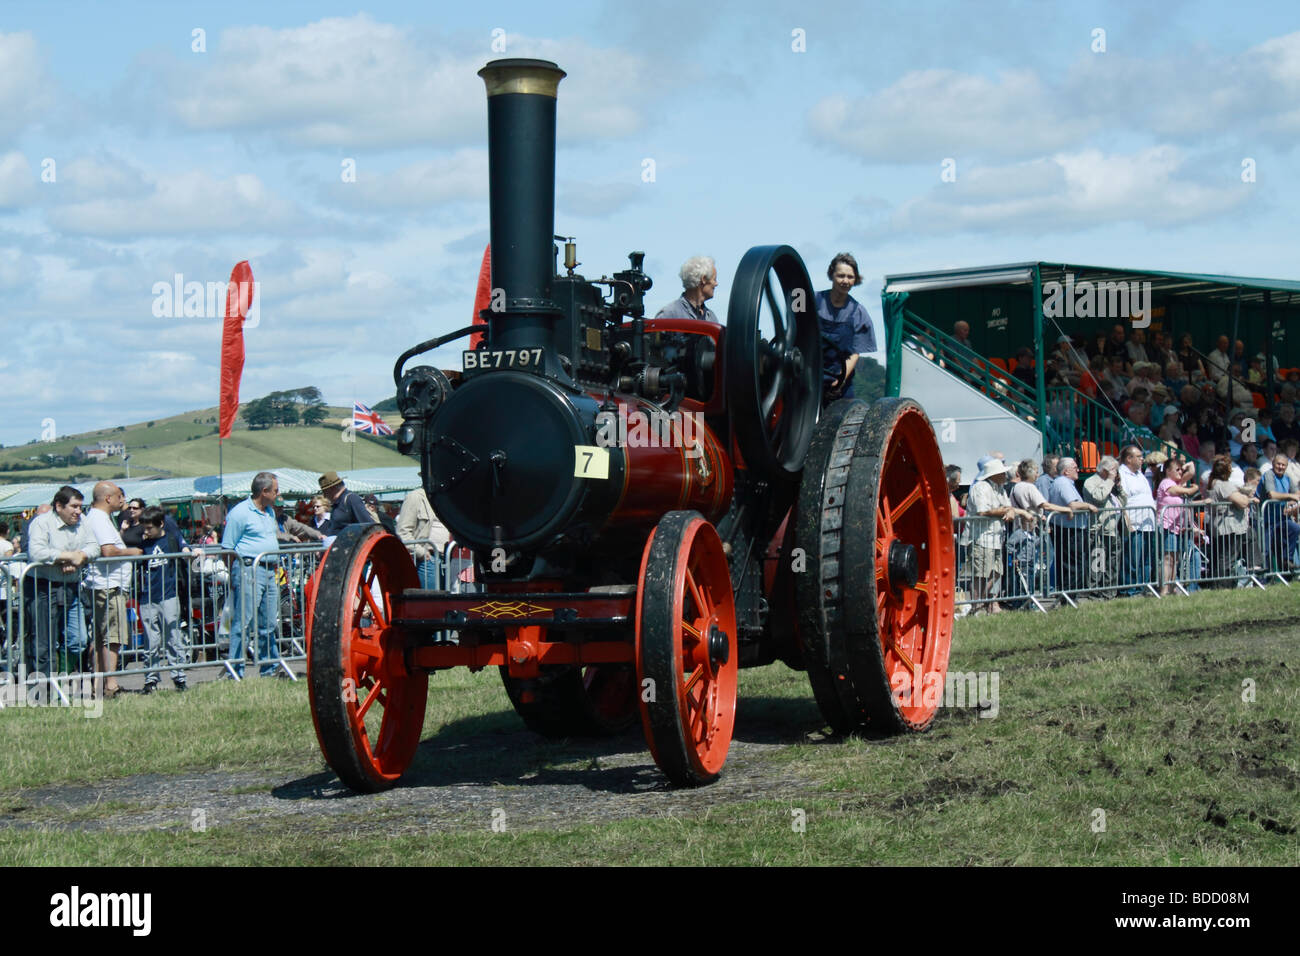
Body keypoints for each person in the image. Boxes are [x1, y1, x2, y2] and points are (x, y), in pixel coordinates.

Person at [23, 487, 99, 693]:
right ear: (59, 506)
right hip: (41, 588)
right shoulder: (41, 523)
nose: (78, 511)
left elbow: (95, 547)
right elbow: (37, 552)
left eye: (80, 507)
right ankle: (41, 690)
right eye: (74, 506)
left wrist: (80, 557)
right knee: (43, 644)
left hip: (71, 587)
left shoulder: (83, 522)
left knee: (79, 640)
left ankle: (61, 680)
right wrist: (65, 557)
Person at [220, 472, 283, 679]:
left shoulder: (269, 512)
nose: (278, 494)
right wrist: (235, 575)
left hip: (268, 570)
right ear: (264, 491)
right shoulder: (239, 513)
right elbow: (227, 548)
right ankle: (235, 669)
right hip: (247, 569)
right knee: (243, 621)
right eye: (275, 490)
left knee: (269, 623)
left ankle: (270, 667)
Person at [83, 482, 143, 698]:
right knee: (113, 637)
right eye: (119, 496)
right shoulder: (99, 519)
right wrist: (132, 552)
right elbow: (107, 551)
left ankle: (100, 684)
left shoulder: (97, 518)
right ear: (108, 498)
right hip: (108, 586)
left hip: (106, 585)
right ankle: (110, 684)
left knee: (102, 637)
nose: (122, 500)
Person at [137, 506, 194, 693]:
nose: (146, 532)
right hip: (147, 597)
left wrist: (190, 552)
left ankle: (179, 677)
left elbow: (185, 547)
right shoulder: (143, 544)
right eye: (143, 528)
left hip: (168, 595)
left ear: (160, 524)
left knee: (173, 636)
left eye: (149, 528)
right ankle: (151, 679)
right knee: (151, 641)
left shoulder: (171, 539)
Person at [964, 459, 1028, 614]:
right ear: (994, 474)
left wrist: (1011, 511)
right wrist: (1004, 511)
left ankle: (981, 603)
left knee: (996, 572)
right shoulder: (981, 488)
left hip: (997, 538)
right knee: (981, 575)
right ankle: (976, 606)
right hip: (981, 537)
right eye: (1002, 473)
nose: (1005, 475)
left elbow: (1008, 506)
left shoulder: (1000, 488)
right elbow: (982, 511)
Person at [816, 253, 876, 404]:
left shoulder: (859, 313)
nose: (845, 281)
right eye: (841, 275)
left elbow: (855, 353)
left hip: (840, 385)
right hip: (809, 378)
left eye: (850, 277)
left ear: (855, 279)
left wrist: (839, 380)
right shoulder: (811, 299)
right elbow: (795, 321)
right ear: (831, 275)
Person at [1048, 457, 1098, 596]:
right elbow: (1073, 505)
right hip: (1069, 531)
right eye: (1075, 467)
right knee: (1072, 565)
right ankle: (1069, 596)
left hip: (1068, 529)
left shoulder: (1064, 482)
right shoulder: (1063, 483)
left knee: (1070, 564)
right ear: (1066, 471)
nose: (1078, 470)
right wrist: (1088, 505)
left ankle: (1068, 595)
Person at [1116, 445, 1158, 595]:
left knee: (1145, 560)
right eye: (1139, 456)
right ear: (1129, 458)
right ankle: (1130, 590)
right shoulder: (1122, 474)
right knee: (1132, 560)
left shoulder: (1140, 474)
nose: (1142, 459)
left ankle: (1144, 587)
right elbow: (1122, 500)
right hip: (1134, 524)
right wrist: (1128, 523)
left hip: (1148, 524)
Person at [1156, 458, 1199, 595]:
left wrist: (1183, 465)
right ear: (1168, 471)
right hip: (1166, 526)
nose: (1181, 472)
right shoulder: (1166, 483)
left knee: (1175, 559)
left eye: (1181, 470)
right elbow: (1180, 491)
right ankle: (1164, 589)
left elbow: (1192, 468)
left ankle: (1172, 587)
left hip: (1176, 527)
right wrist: (1194, 488)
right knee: (1168, 558)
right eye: (1177, 469)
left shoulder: (1177, 482)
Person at [1207, 455, 1252, 585]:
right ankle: (1222, 585)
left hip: (1221, 526)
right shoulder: (1223, 485)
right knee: (1227, 558)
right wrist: (1248, 498)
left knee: (1222, 557)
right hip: (1228, 527)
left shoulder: (1213, 483)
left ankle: (1219, 584)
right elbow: (1242, 502)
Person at [397, 486, 452, 590]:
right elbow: (402, 531)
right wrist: (421, 553)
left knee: (447, 603)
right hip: (428, 561)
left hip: (449, 560)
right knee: (431, 602)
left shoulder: (447, 498)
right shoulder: (415, 497)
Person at [1257, 454, 1300, 571]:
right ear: (1273, 464)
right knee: (1266, 551)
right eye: (1278, 464)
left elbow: (1298, 495)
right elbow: (1272, 494)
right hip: (1264, 520)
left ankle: (1288, 561)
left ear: (1286, 466)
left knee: (1295, 528)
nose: (1280, 467)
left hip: (1281, 518)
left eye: (1283, 465)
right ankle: (1264, 579)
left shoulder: (1287, 478)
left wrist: (1292, 503)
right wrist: (1290, 497)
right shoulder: (1269, 475)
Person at [655, 256, 719, 322]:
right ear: (703, 279)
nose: (716, 284)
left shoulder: (712, 318)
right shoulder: (669, 315)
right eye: (714, 279)